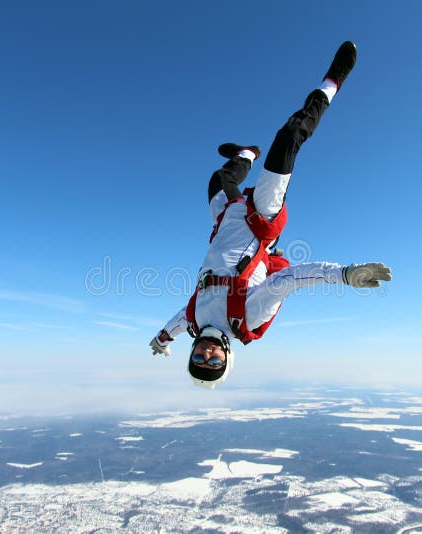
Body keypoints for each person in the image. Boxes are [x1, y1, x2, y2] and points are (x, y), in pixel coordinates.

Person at [149, 41, 392, 389]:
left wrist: (160, 340)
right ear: (226, 358)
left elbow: (176, 321)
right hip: (257, 219)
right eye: (213, 362)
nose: (206, 354)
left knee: (219, 179)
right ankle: (333, 82)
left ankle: (246, 154)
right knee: (290, 135)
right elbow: (288, 281)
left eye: (198, 359)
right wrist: (345, 274)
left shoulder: (192, 321)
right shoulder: (244, 319)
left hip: (225, 222)